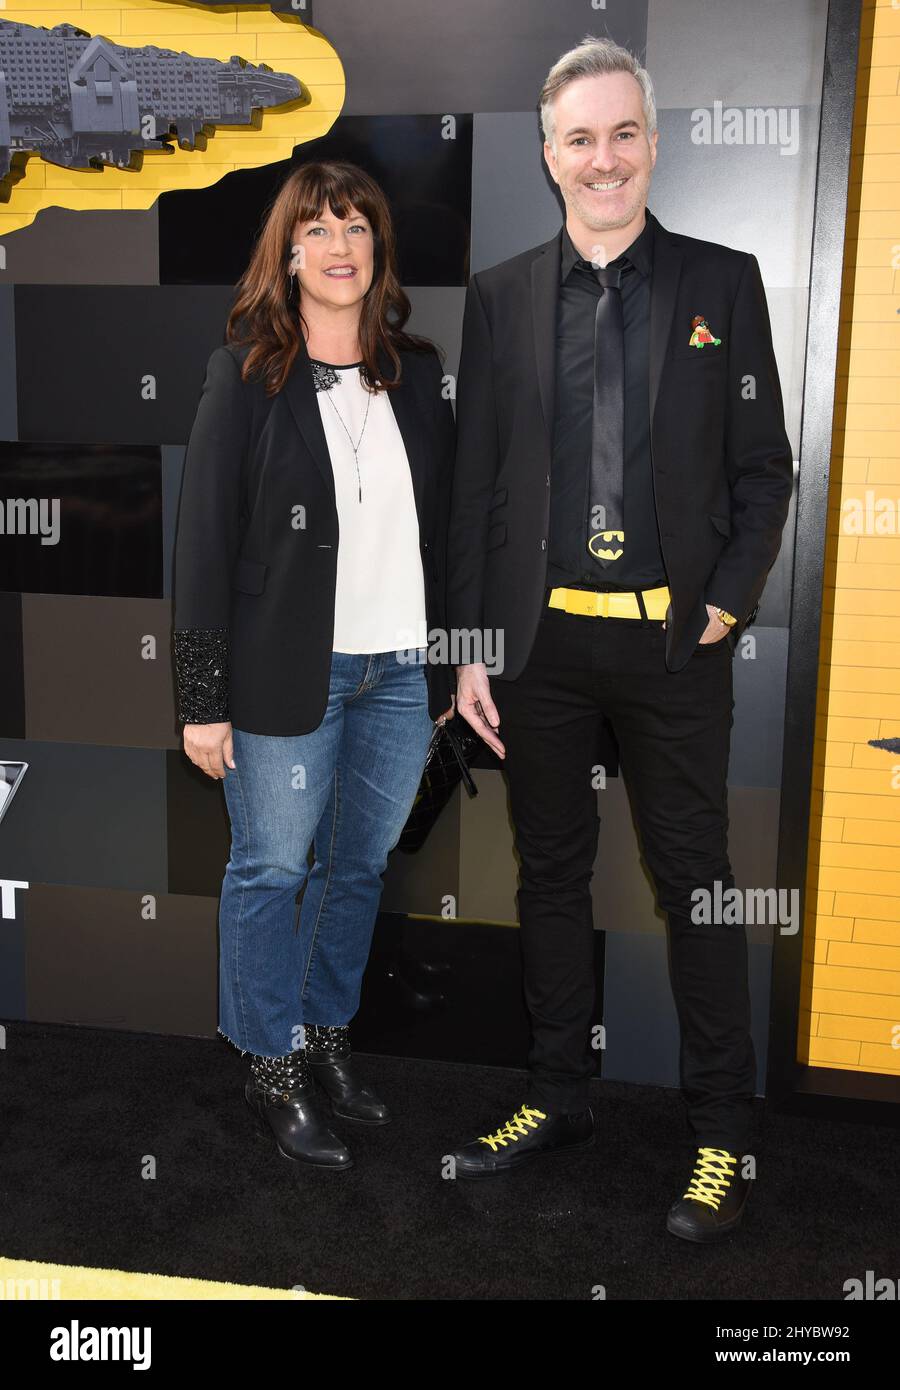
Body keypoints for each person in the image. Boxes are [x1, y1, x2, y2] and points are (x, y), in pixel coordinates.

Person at [444, 37, 793, 1242]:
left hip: (672, 655)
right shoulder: (497, 298)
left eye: (624, 133)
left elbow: (766, 470)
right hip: (539, 652)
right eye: (580, 139)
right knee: (547, 877)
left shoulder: (725, 284)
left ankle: (721, 1132)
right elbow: (479, 485)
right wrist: (472, 644)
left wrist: (728, 599)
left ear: (654, 142)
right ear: (549, 158)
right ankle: (557, 1094)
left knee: (698, 888)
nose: (604, 158)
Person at [172, 160, 455, 1170]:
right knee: (272, 868)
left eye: (357, 228)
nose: (340, 247)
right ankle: (269, 1064)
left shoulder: (415, 371)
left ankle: (326, 1037)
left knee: (359, 868)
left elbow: (453, 535)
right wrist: (202, 701)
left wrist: (455, 663)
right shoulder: (246, 372)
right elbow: (202, 542)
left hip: (396, 676)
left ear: (377, 249)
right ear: (286, 254)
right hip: (286, 678)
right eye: (318, 230)